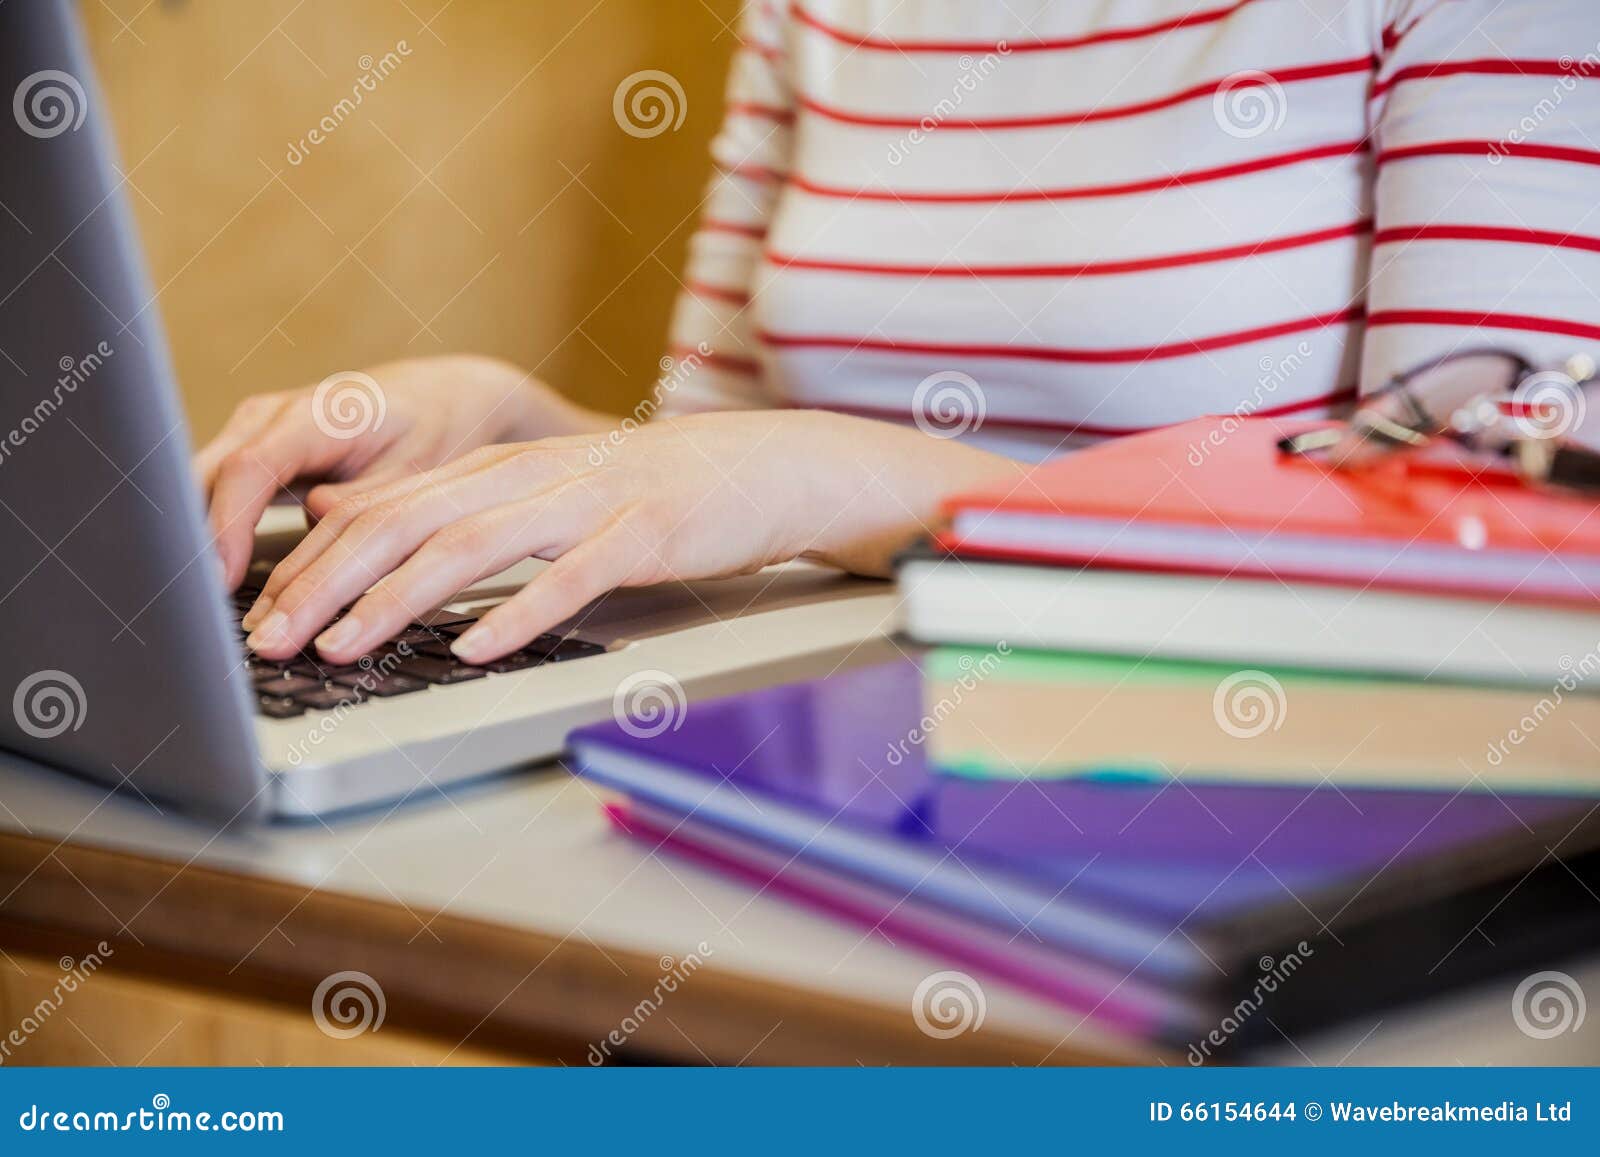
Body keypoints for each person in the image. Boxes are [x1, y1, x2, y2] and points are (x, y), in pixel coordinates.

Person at [205, 0, 1600, 666]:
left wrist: (859, 476)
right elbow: (720, 480)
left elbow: (1478, 555)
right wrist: (522, 425)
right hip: (801, 762)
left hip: (1223, 820)